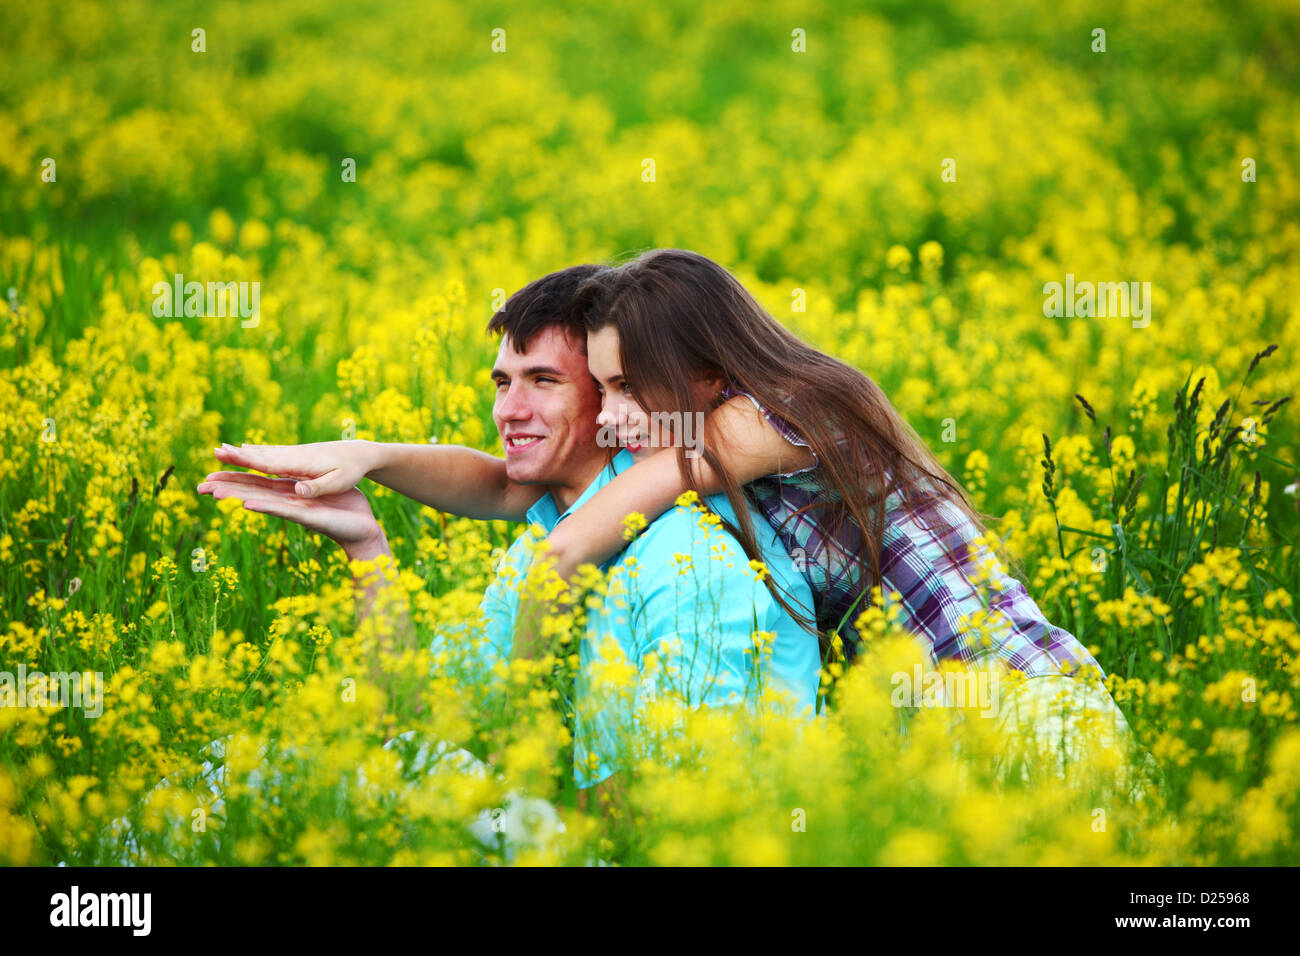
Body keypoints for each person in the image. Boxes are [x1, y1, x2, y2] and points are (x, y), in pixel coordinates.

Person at [199, 263, 821, 812]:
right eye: (503, 382)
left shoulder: (688, 548)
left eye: (543, 382)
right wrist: (366, 550)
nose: (508, 411)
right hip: (577, 835)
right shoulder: (545, 541)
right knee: (241, 769)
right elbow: (413, 730)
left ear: (608, 392)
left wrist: (509, 798)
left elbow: (672, 806)